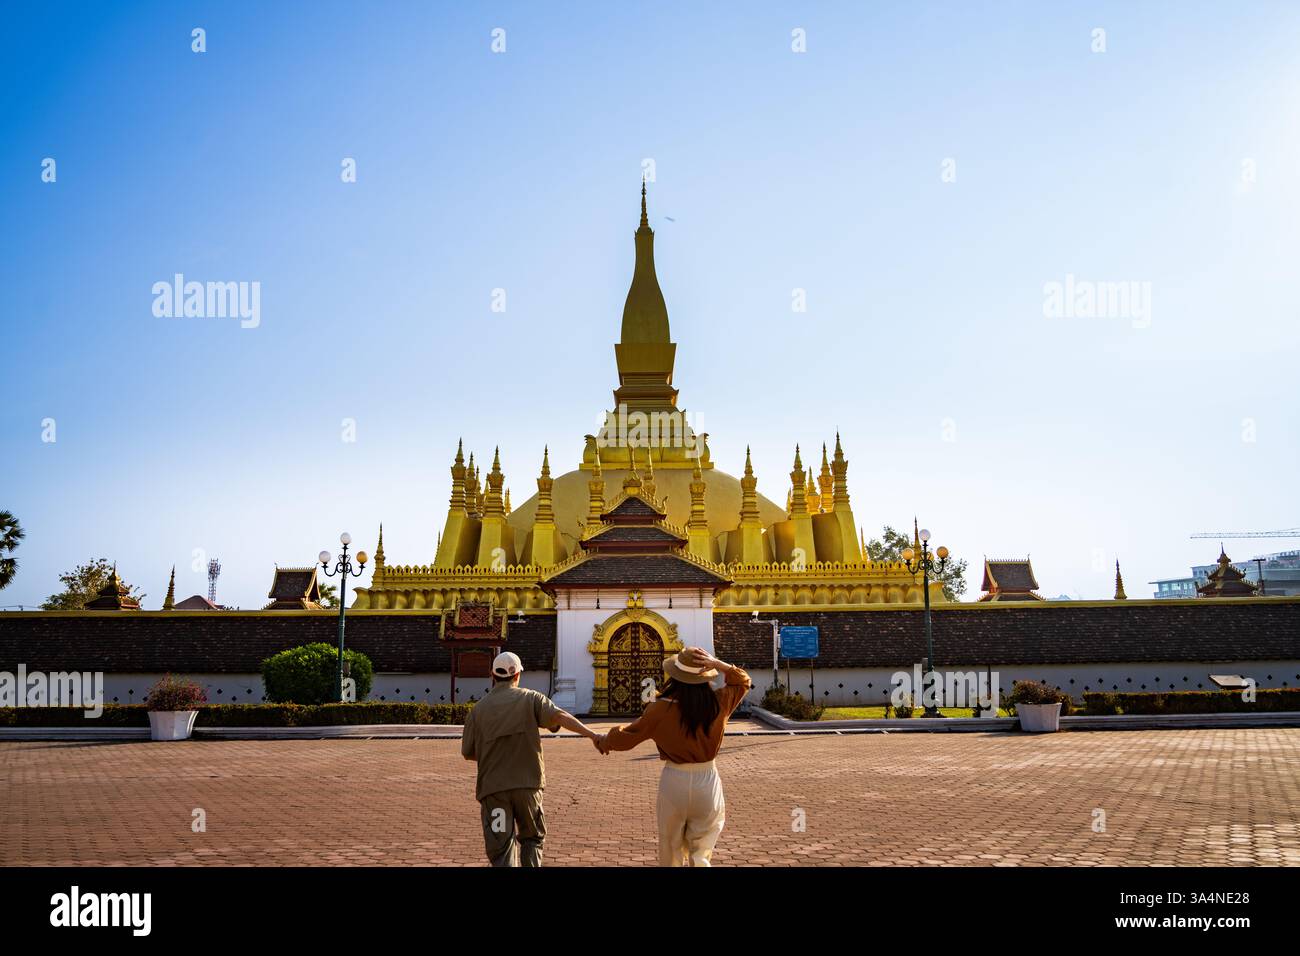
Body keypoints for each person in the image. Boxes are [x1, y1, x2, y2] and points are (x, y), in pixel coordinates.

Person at [597, 646, 752, 866]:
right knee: (702, 849)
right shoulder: (719, 702)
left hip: (674, 780)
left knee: (670, 847)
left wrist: (605, 741)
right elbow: (743, 680)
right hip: (707, 780)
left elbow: (628, 737)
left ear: (675, 676)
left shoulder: (659, 708)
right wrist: (717, 664)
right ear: (705, 675)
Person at [461, 651, 602, 866]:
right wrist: (593, 735)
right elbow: (559, 717)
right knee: (532, 839)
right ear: (517, 675)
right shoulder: (531, 699)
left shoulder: (477, 711)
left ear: (493, 675)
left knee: (501, 847)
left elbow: (468, 752)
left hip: (494, 791)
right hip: (528, 788)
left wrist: (495, 750)